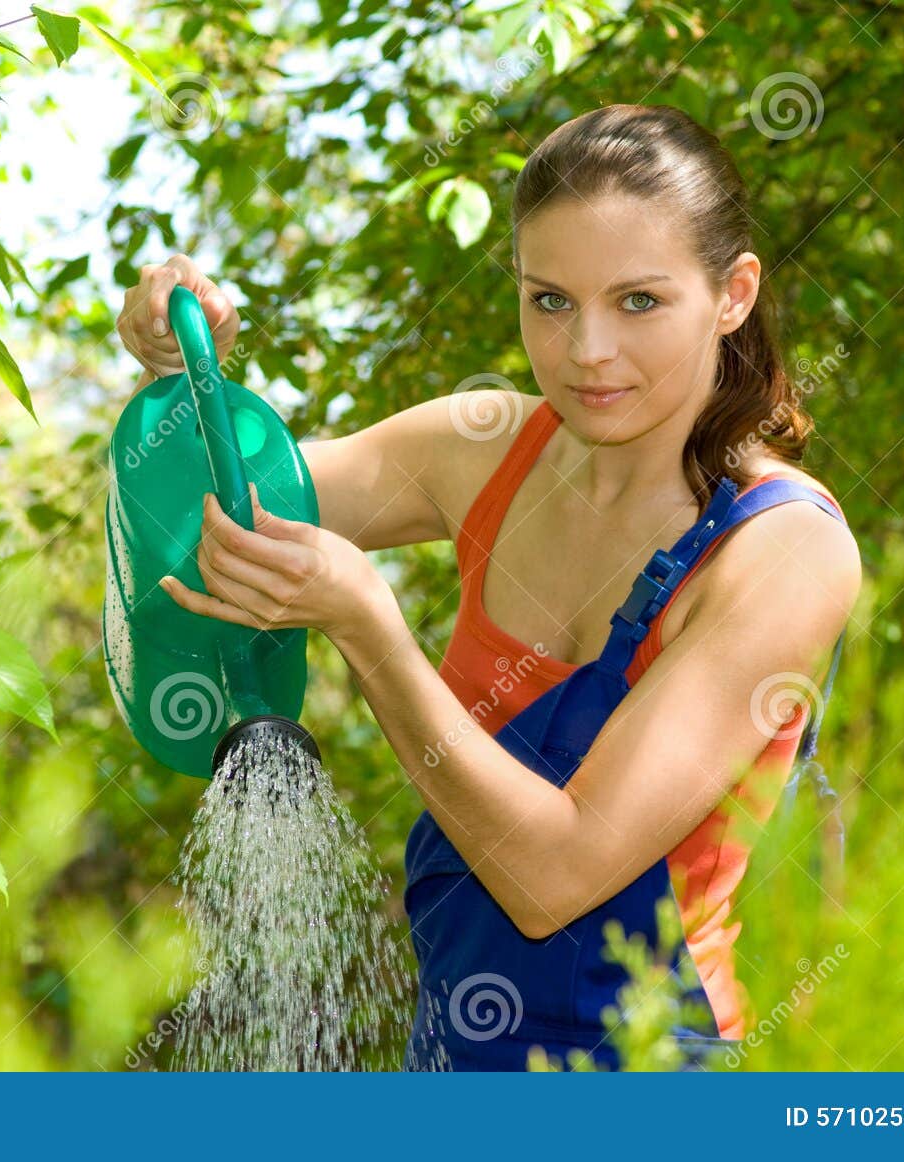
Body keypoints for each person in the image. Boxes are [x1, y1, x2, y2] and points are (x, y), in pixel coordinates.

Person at [114, 104, 862, 1071]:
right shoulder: (482, 450)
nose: (588, 349)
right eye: (551, 300)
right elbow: (218, 516)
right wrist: (185, 376)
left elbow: (553, 873)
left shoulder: (783, 550)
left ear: (732, 293)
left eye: (639, 301)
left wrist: (369, 628)